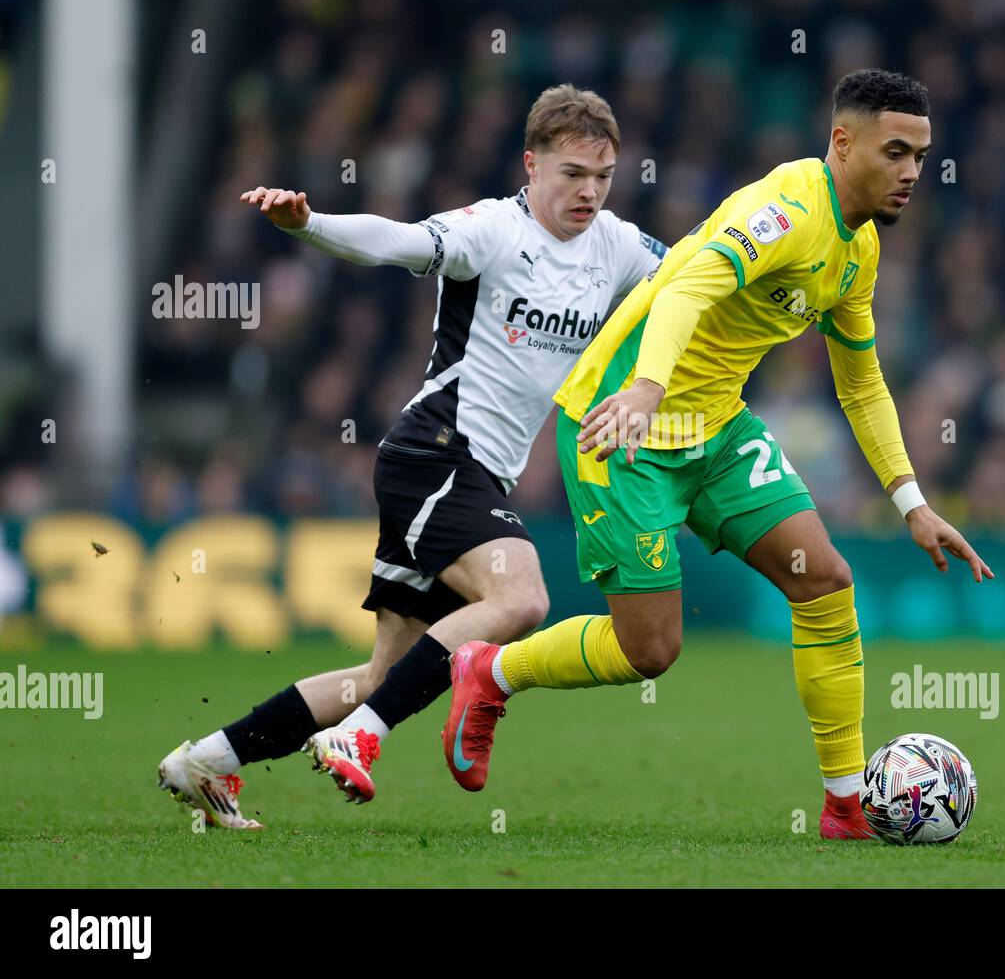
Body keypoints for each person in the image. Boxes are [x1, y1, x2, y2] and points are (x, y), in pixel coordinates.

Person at [437, 69, 994, 841]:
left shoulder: (857, 248)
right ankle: (491, 672)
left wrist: (912, 502)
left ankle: (843, 807)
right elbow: (685, 289)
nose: (909, 173)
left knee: (827, 580)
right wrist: (647, 391)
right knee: (651, 651)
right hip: (620, 424)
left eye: (921, 157)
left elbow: (861, 382)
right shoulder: (787, 211)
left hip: (716, 429)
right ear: (842, 142)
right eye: (895, 151)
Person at [157, 85, 664, 828]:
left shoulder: (617, 245)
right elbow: (397, 240)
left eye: (603, 176)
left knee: (382, 676)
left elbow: (696, 278)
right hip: (435, 455)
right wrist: (309, 225)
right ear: (531, 165)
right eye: (571, 174)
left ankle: (207, 761)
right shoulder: (492, 229)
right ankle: (361, 738)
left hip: (474, 473)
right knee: (521, 598)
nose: (588, 191)